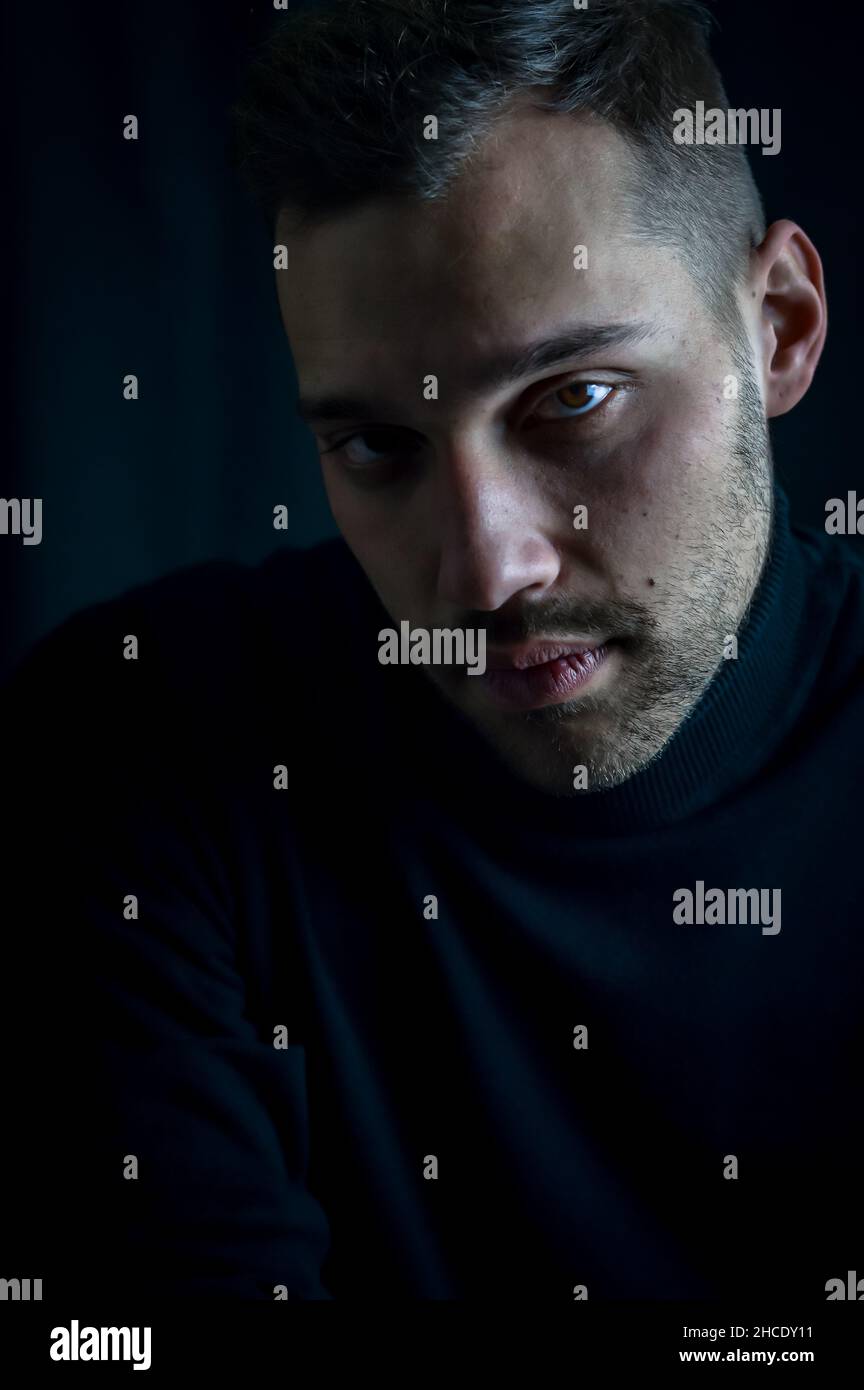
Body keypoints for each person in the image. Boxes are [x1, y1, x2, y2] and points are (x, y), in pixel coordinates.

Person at [3, 0, 862, 1301]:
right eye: (376, 448)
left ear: (782, 326)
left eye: (572, 400)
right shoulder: (137, 746)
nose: (485, 570)